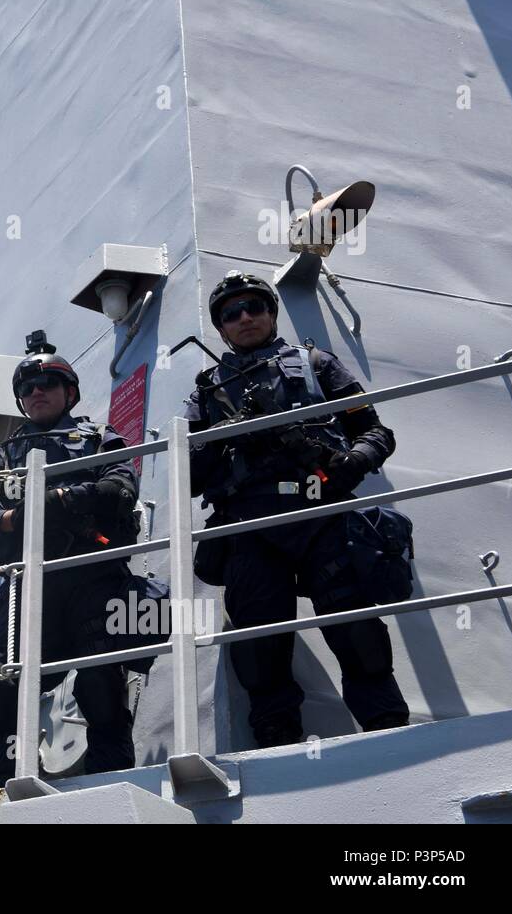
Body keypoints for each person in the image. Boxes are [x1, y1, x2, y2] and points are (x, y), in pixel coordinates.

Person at [182, 270, 409, 746]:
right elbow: (190, 474)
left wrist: (352, 462)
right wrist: (228, 437)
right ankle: (276, 743)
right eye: (231, 313)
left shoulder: (315, 364)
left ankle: (388, 730)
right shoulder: (206, 390)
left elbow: (374, 430)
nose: (244, 318)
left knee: (356, 630)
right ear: (220, 327)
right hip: (249, 525)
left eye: (254, 307)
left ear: (271, 313)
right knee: (260, 645)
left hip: (320, 513)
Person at [0, 332, 145, 789]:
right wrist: (17, 518)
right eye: (27, 387)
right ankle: (2, 783)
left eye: (47, 382)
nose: (37, 391)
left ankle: (113, 777)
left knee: (101, 682)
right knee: (2, 686)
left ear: (70, 392)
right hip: (27, 587)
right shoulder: (1, 456)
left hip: (93, 578)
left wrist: (62, 498)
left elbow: (120, 490)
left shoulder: (101, 437)